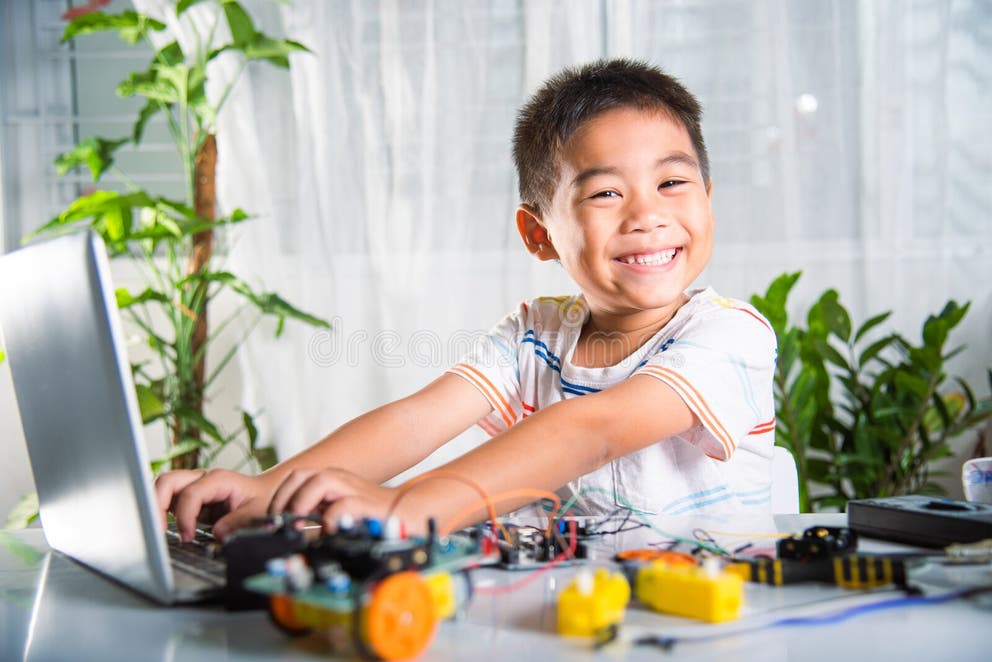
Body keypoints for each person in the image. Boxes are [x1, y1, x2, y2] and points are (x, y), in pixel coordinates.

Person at [157, 58, 777, 542]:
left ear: (708, 196)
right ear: (539, 235)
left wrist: (410, 507)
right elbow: (413, 421)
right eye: (605, 194)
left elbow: (594, 429)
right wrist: (266, 490)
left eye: (673, 183)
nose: (647, 215)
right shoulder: (535, 333)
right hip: (572, 613)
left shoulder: (729, 337)